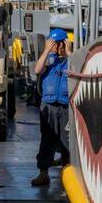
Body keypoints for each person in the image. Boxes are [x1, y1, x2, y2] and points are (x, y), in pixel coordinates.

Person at [31, 28, 70, 187]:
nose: (53, 47)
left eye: (55, 44)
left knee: (67, 141)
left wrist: (68, 52)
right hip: (48, 106)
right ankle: (43, 173)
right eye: (51, 44)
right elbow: (37, 69)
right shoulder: (48, 59)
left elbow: (76, 69)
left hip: (65, 107)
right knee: (47, 139)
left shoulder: (71, 60)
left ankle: (67, 172)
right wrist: (46, 50)